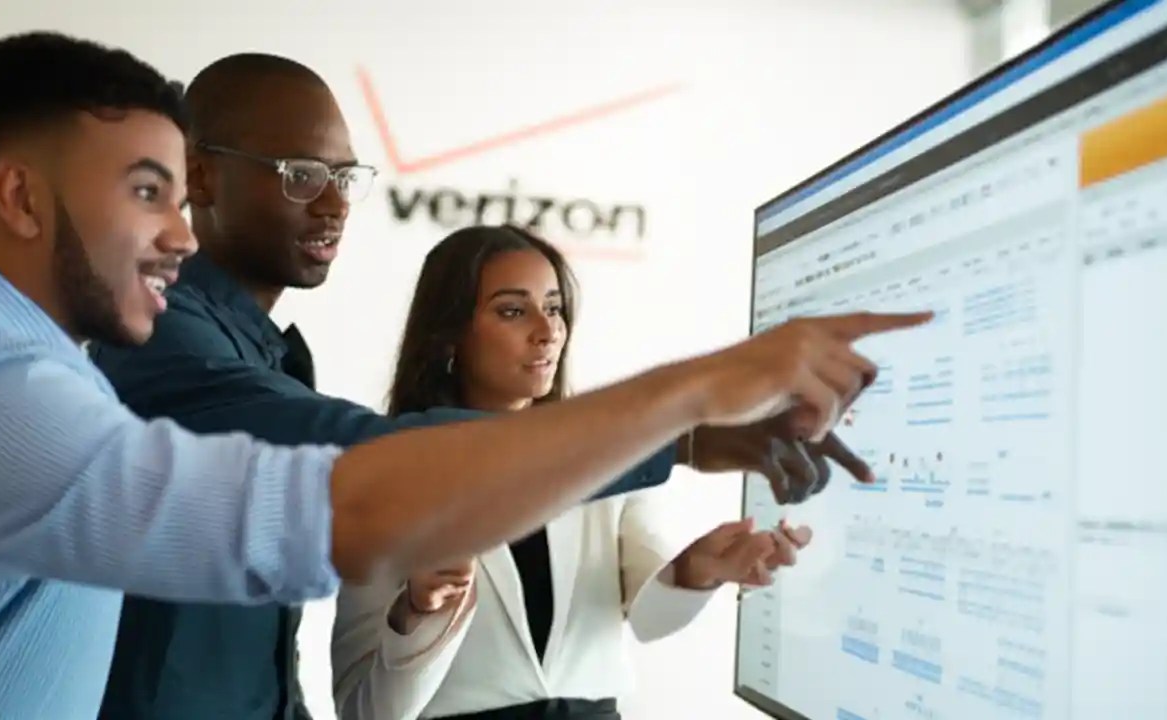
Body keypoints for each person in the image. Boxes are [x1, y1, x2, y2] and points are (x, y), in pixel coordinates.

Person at [85, 53, 898, 720]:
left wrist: (696, 555)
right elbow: (365, 469)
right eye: (301, 174)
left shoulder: (270, 356)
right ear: (200, 176)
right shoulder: (163, 339)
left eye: (345, 175)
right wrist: (684, 425)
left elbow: (257, 657)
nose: (335, 203)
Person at [331, 225, 817, 720]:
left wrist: (698, 572)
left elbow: (647, 620)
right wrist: (419, 611)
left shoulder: (609, 454)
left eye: (555, 307)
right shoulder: (385, 476)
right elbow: (362, 711)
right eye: (513, 311)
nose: (548, 330)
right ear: (449, 335)